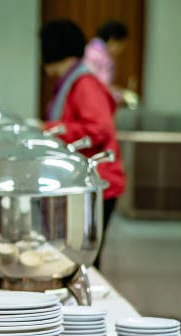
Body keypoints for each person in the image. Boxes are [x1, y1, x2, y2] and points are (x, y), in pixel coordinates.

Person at [40, 19, 126, 269]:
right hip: (88, 182)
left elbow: (99, 128)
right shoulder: (72, 82)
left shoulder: (84, 84)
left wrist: (52, 130)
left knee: (85, 258)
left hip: (99, 180)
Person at [84, 20, 129, 103]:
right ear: (112, 40)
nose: (121, 49)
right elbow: (94, 85)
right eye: (121, 45)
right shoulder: (93, 54)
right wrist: (118, 95)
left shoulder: (103, 54)